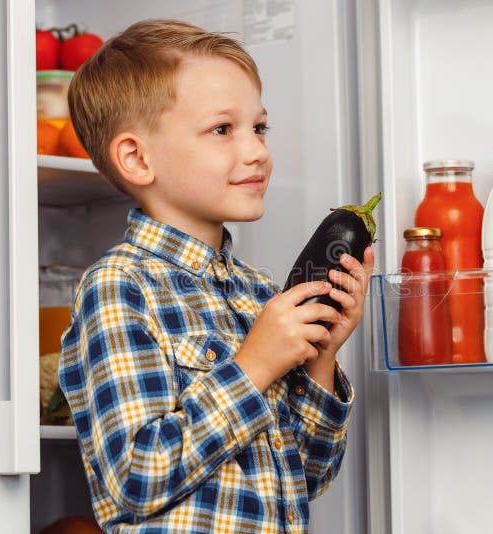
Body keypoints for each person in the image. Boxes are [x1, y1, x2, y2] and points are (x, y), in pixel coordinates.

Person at [58, 19, 374, 533]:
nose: (258, 151)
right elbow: (137, 476)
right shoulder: (119, 288)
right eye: (223, 129)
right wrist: (253, 366)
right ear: (137, 159)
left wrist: (321, 360)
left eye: (259, 127)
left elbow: (306, 478)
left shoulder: (259, 291)